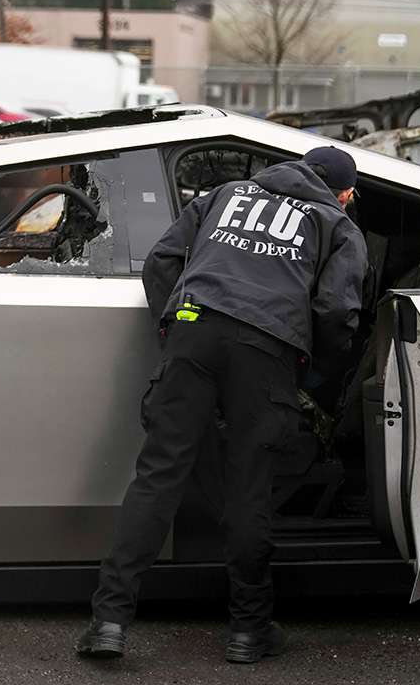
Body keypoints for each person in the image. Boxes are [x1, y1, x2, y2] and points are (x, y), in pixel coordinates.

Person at [76, 146, 368, 664]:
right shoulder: (337, 226)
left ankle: (109, 622)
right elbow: (338, 312)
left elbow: (164, 260)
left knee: (158, 476)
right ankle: (248, 631)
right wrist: (313, 371)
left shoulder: (225, 195)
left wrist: (177, 331)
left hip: (194, 330)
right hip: (266, 351)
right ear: (344, 194)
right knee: (248, 488)